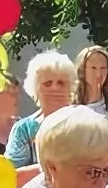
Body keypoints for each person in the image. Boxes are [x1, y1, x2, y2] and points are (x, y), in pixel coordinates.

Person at [5, 50, 76, 181]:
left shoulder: (86, 122)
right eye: (47, 83)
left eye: (61, 83)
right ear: (35, 89)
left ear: (71, 88)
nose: (55, 88)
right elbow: (10, 175)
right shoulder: (23, 129)